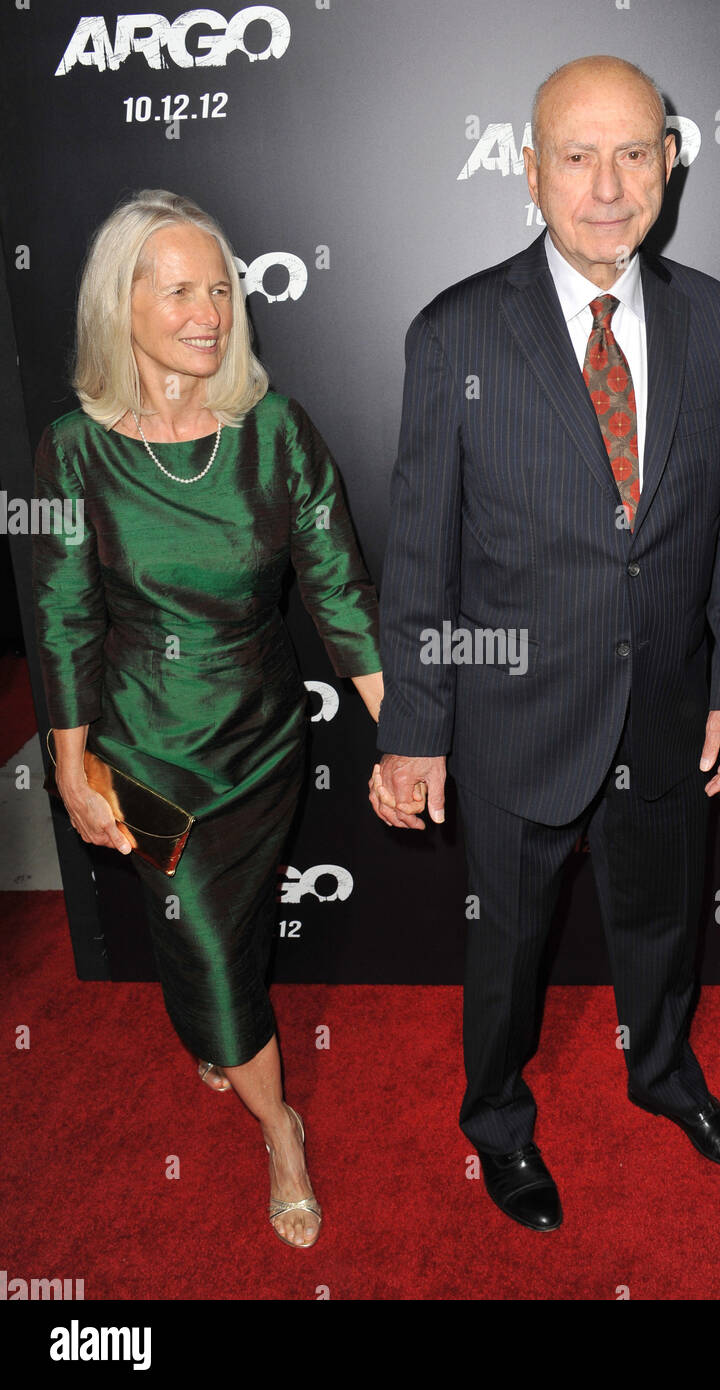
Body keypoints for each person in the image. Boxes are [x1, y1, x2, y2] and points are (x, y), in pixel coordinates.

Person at [370, 56, 720, 1232]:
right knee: (505, 952)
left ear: (670, 163)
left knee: (661, 921)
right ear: (529, 166)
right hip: (512, 725)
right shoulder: (456, 331)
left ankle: (665, 1076)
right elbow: (423, 557)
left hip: (664, 704)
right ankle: (495, 1120)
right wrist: (418, 732)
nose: (609, 184)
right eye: (578, 154)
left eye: (636, 151)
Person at [33, 189, 382, 1249]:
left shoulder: (274, 431)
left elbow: (340, 592)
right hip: (146, 752)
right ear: (120, 303)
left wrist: (401, 730)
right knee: (218, 954)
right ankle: (281, 1125)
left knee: (216, 940)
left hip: (264, 741)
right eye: (179, 288)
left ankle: (223, 1042)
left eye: (221, 288)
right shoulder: (73, 451)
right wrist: (70, 764)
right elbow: (63, 610)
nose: (210, 311)